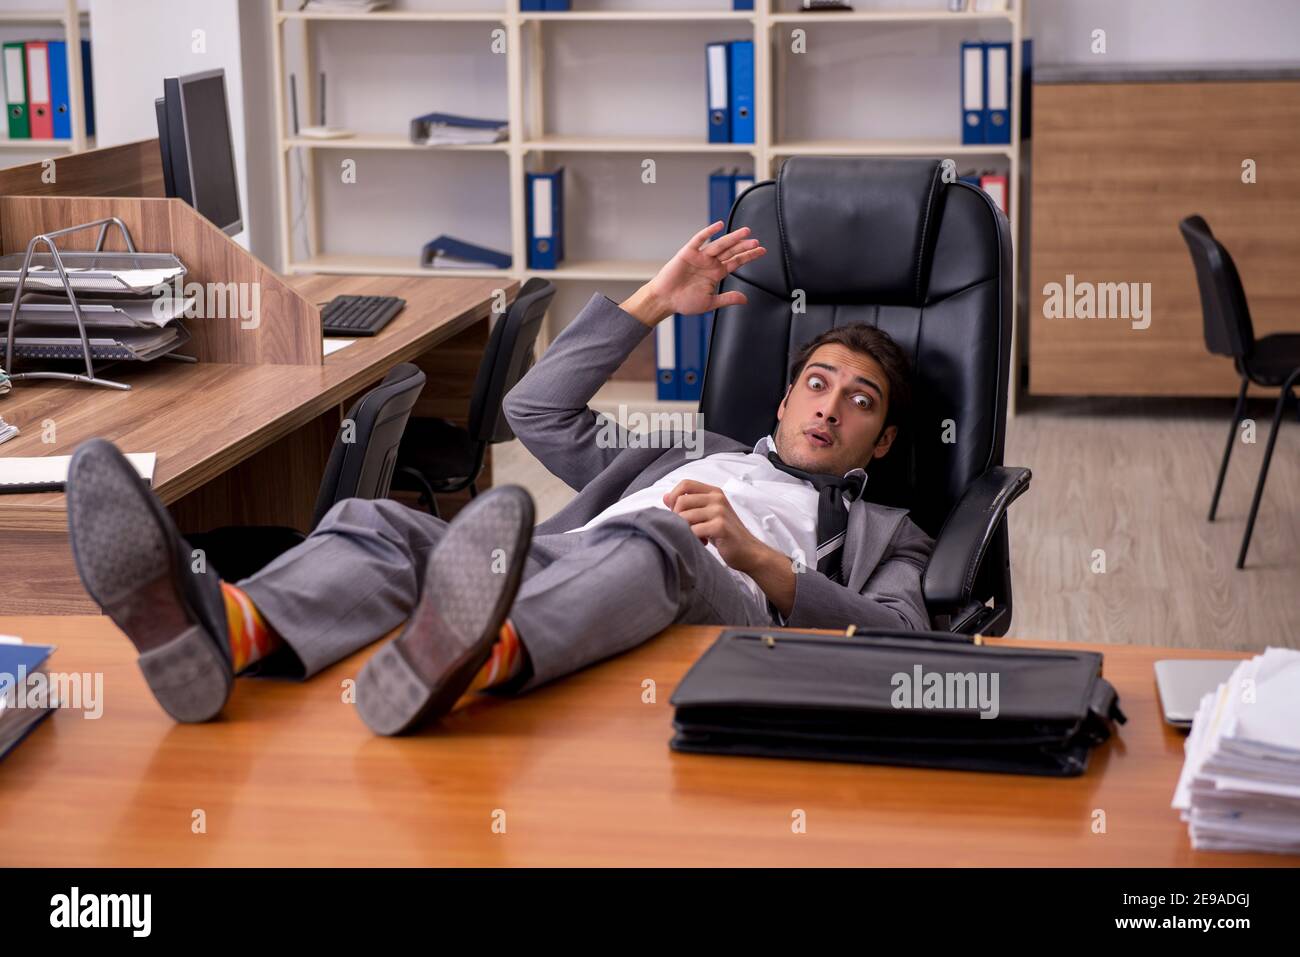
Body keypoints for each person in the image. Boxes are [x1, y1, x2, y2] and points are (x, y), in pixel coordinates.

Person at [64, 221, 932, 736]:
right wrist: (655, 301)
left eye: (858, 401)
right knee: (382, 520)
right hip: (562, 566)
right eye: (816, 383)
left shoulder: (887, 529)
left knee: (659, 535)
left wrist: (760, 559)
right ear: (782, 399)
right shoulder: (694, 449)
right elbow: (537, 411)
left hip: (714, 602)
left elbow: (904, 634)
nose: (829, 408)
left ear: (883, 438)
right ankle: (230, 630)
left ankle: (480, 655)